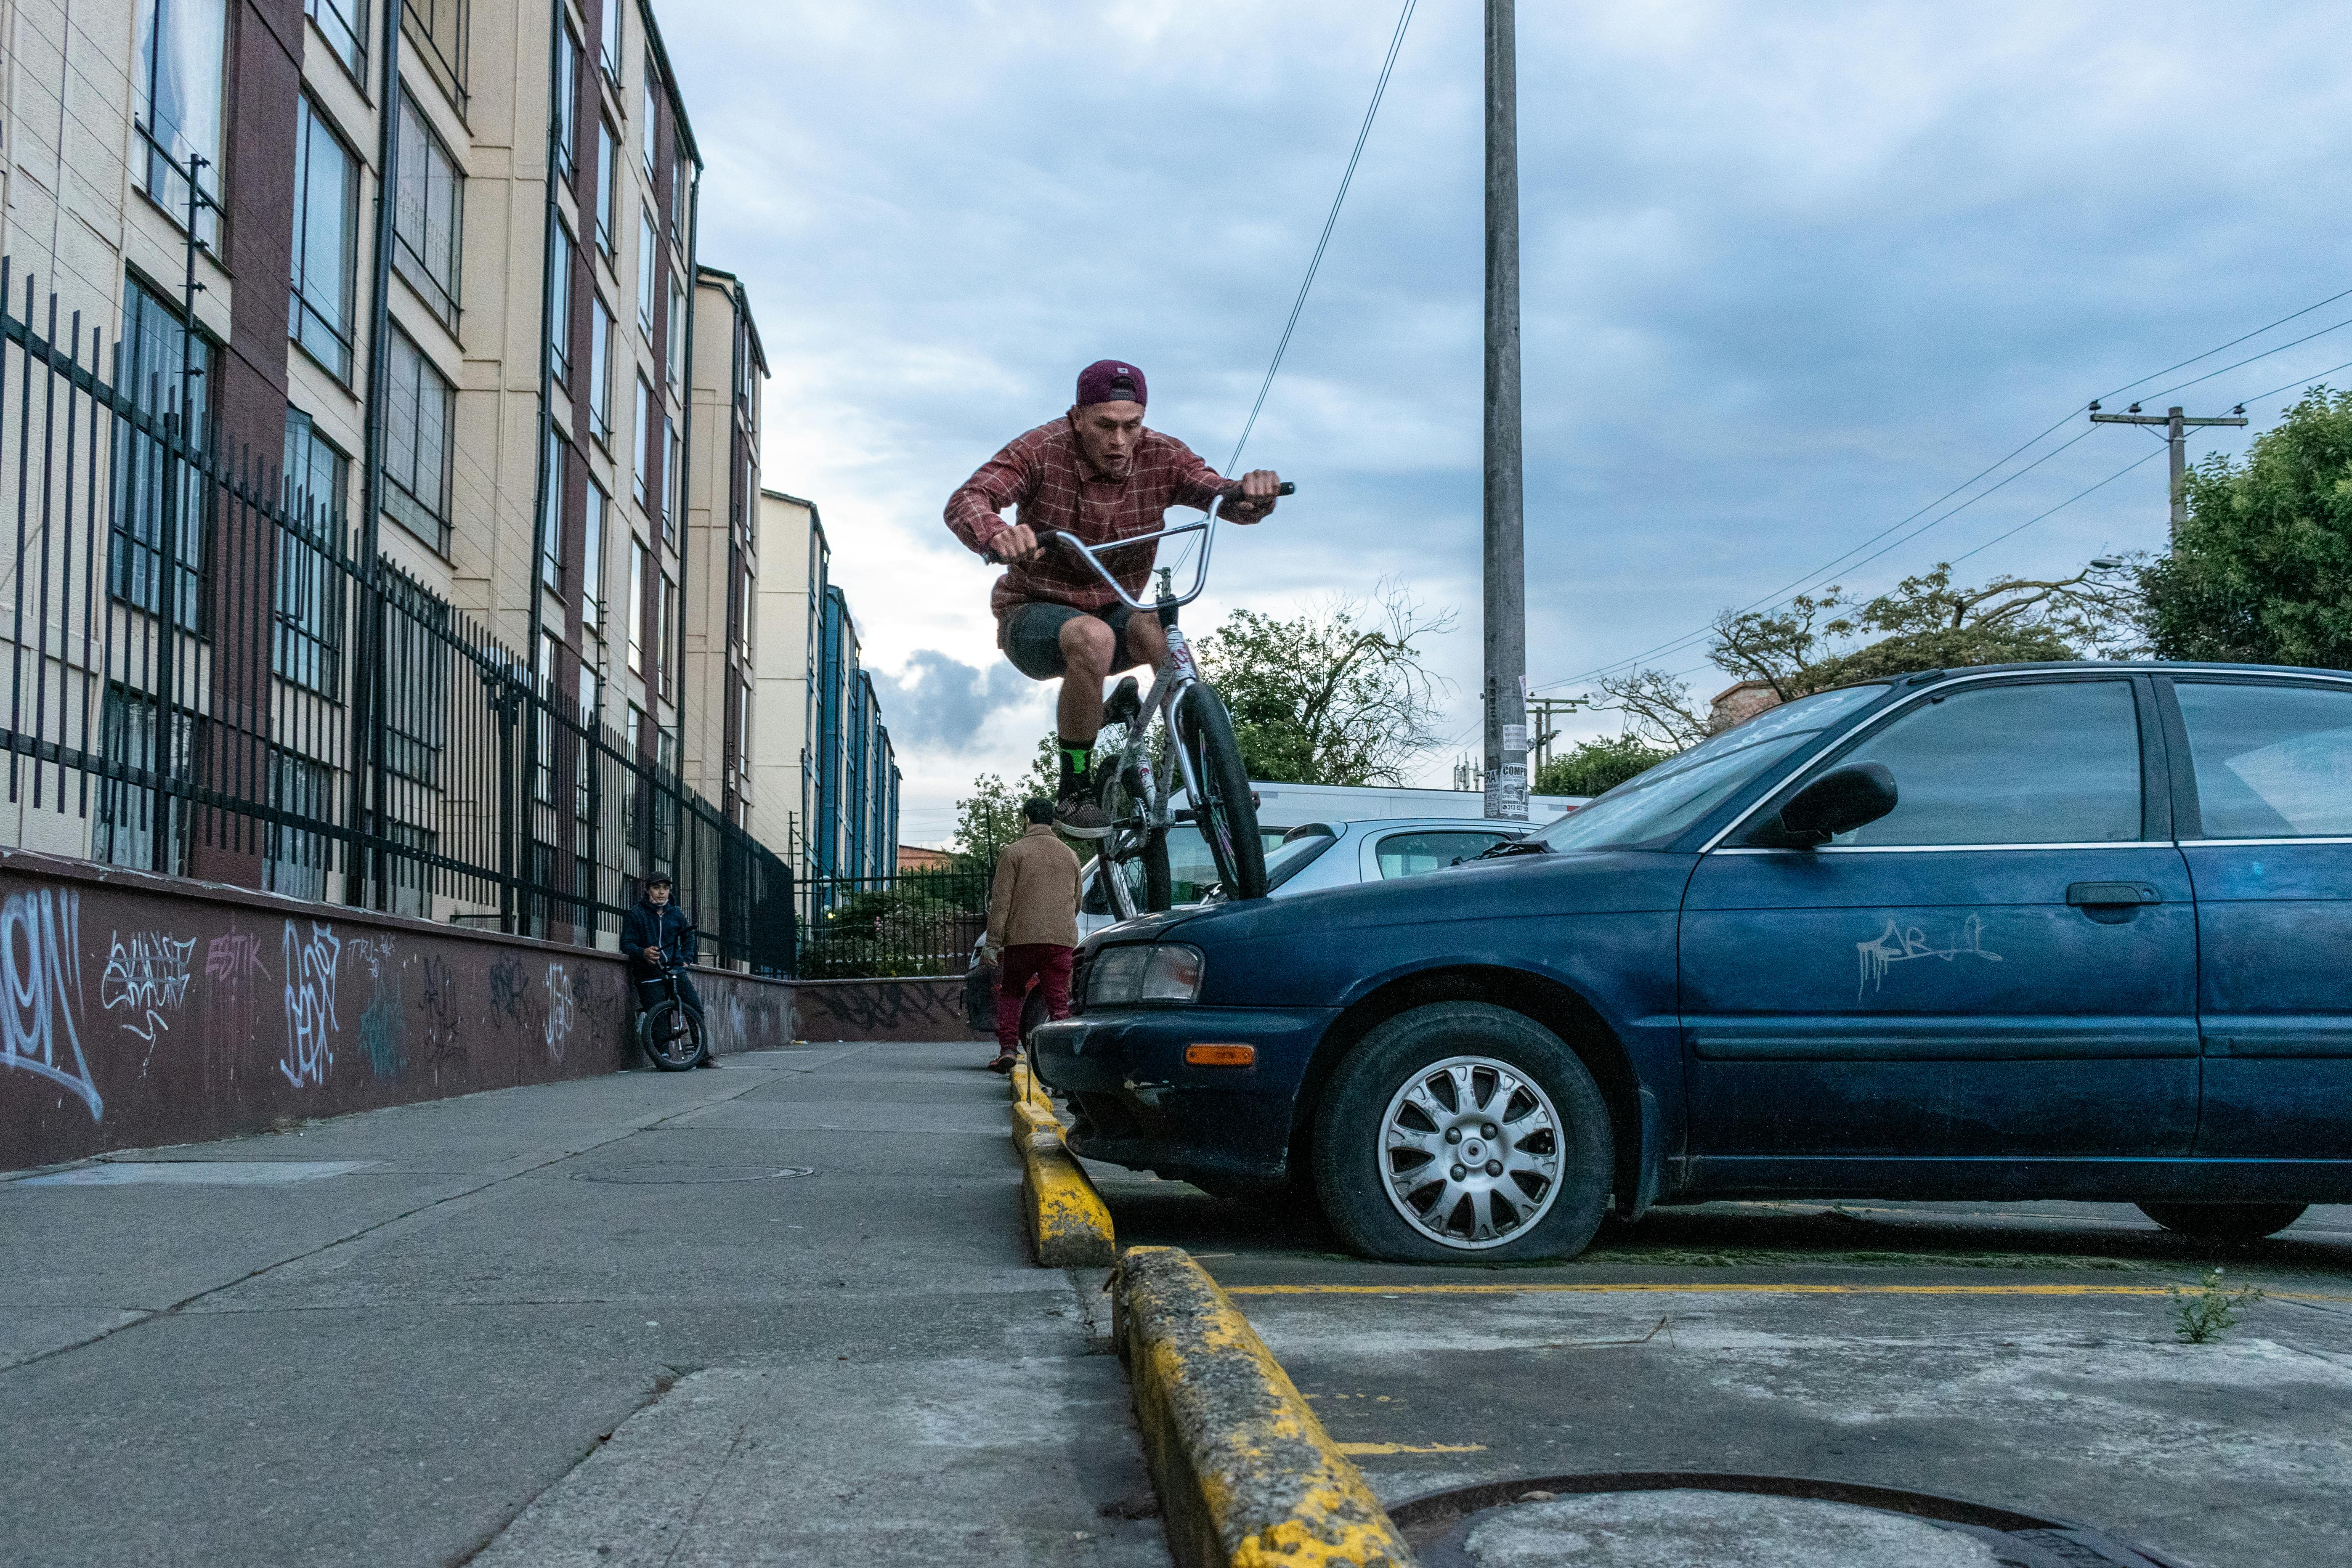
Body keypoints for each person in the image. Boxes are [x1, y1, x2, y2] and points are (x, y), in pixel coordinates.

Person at [945, 359, 1284, 837]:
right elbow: (969, 498)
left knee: (1162, 633)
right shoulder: (1042, 449)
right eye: (1106, 426)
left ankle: (1209, 771)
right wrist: (997, 534)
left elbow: (1219, 494)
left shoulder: (1161, 455)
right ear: (1078, 417)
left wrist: (1251, 495)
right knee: (1093, 636)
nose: (1120, 441)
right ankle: (1075, 788)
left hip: (1118, 602)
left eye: (1131, 426)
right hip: (1034, 612)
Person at [982, 799, 1082, 1073]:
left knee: (1012, 993)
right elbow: (1077, 903)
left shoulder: (1013, 853)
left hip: (1021, 940)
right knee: (1059, 1003)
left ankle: (1008, 1051)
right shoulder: (1070, 855)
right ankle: (1065, 1065)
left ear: (1026, 819)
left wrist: (992, 946)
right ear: (1052, 821)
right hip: (1060, 941)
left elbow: (1001, 903)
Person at [621, 873, 714, 1067]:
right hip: (649, 972)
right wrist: (643, 952)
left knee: (694, 1008)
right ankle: (663, 1056)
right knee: (658, 1014)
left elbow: (689, 936)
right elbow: (627, 944)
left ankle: (703, 1056)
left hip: (675, 969)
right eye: (657, 888)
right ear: (648, 890)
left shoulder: (675, 913)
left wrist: (687, 958)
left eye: (665, 888)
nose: (662, 892)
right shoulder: (636, 914)